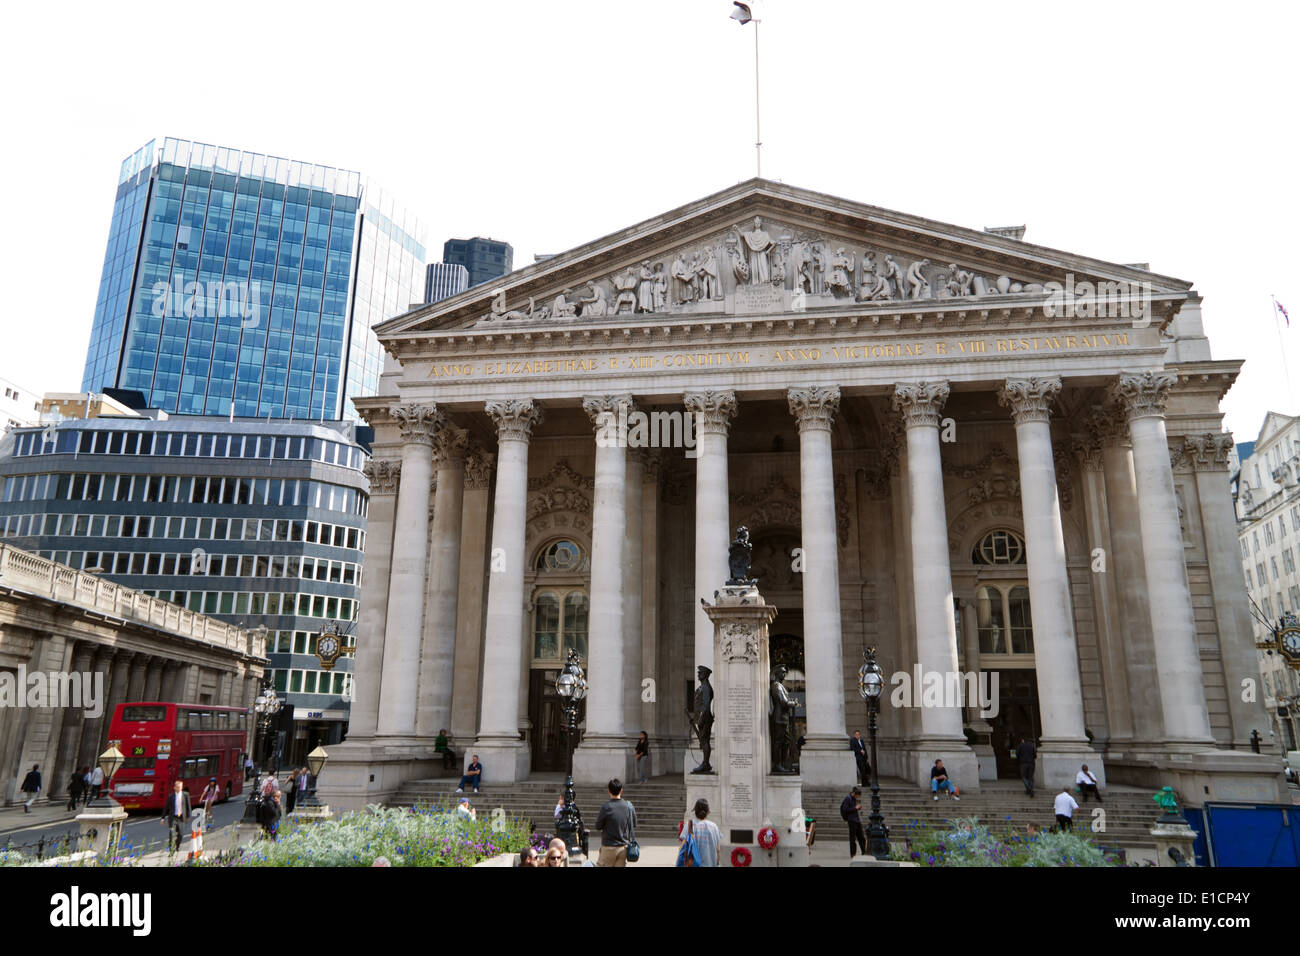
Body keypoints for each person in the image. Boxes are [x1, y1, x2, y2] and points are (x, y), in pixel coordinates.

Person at [593, 778, 637, 867]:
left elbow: (598, 826)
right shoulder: (629, 806)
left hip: (608, 847)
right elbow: (634, 824)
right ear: (621, 791)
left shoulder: (606, 807)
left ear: (609, 791)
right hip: (623, 848)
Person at [683, 798, 721, 867]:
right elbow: (718, 849)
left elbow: (684, 848)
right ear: (708, 812)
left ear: (695, 811)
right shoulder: (714, 827)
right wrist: (717, 863)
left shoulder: (689, 825)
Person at [162, 780, 191, 853]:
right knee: (171, 833)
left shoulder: (186, 795)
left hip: (181, 817)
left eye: (180, 787)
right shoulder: (171, 796)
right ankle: (171, 849)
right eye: (177, 787)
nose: (179, 788)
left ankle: (177, 846)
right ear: (174, 788)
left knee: (180, 834)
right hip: (173, 817)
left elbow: (188, 806)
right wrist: (163, 818)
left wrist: (188, 816)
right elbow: (166, 807)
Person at [841, 786, 867, 858]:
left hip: (856, 820)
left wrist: (857, 808)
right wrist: (855, 808)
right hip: (851, 820)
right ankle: (853, 854)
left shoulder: (853, 799)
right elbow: (845, 810)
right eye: (857, 796)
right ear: (855, 794)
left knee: (861, 837)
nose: (857, 797)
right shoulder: (848, 798)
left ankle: (864, 851)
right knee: (852, 838)